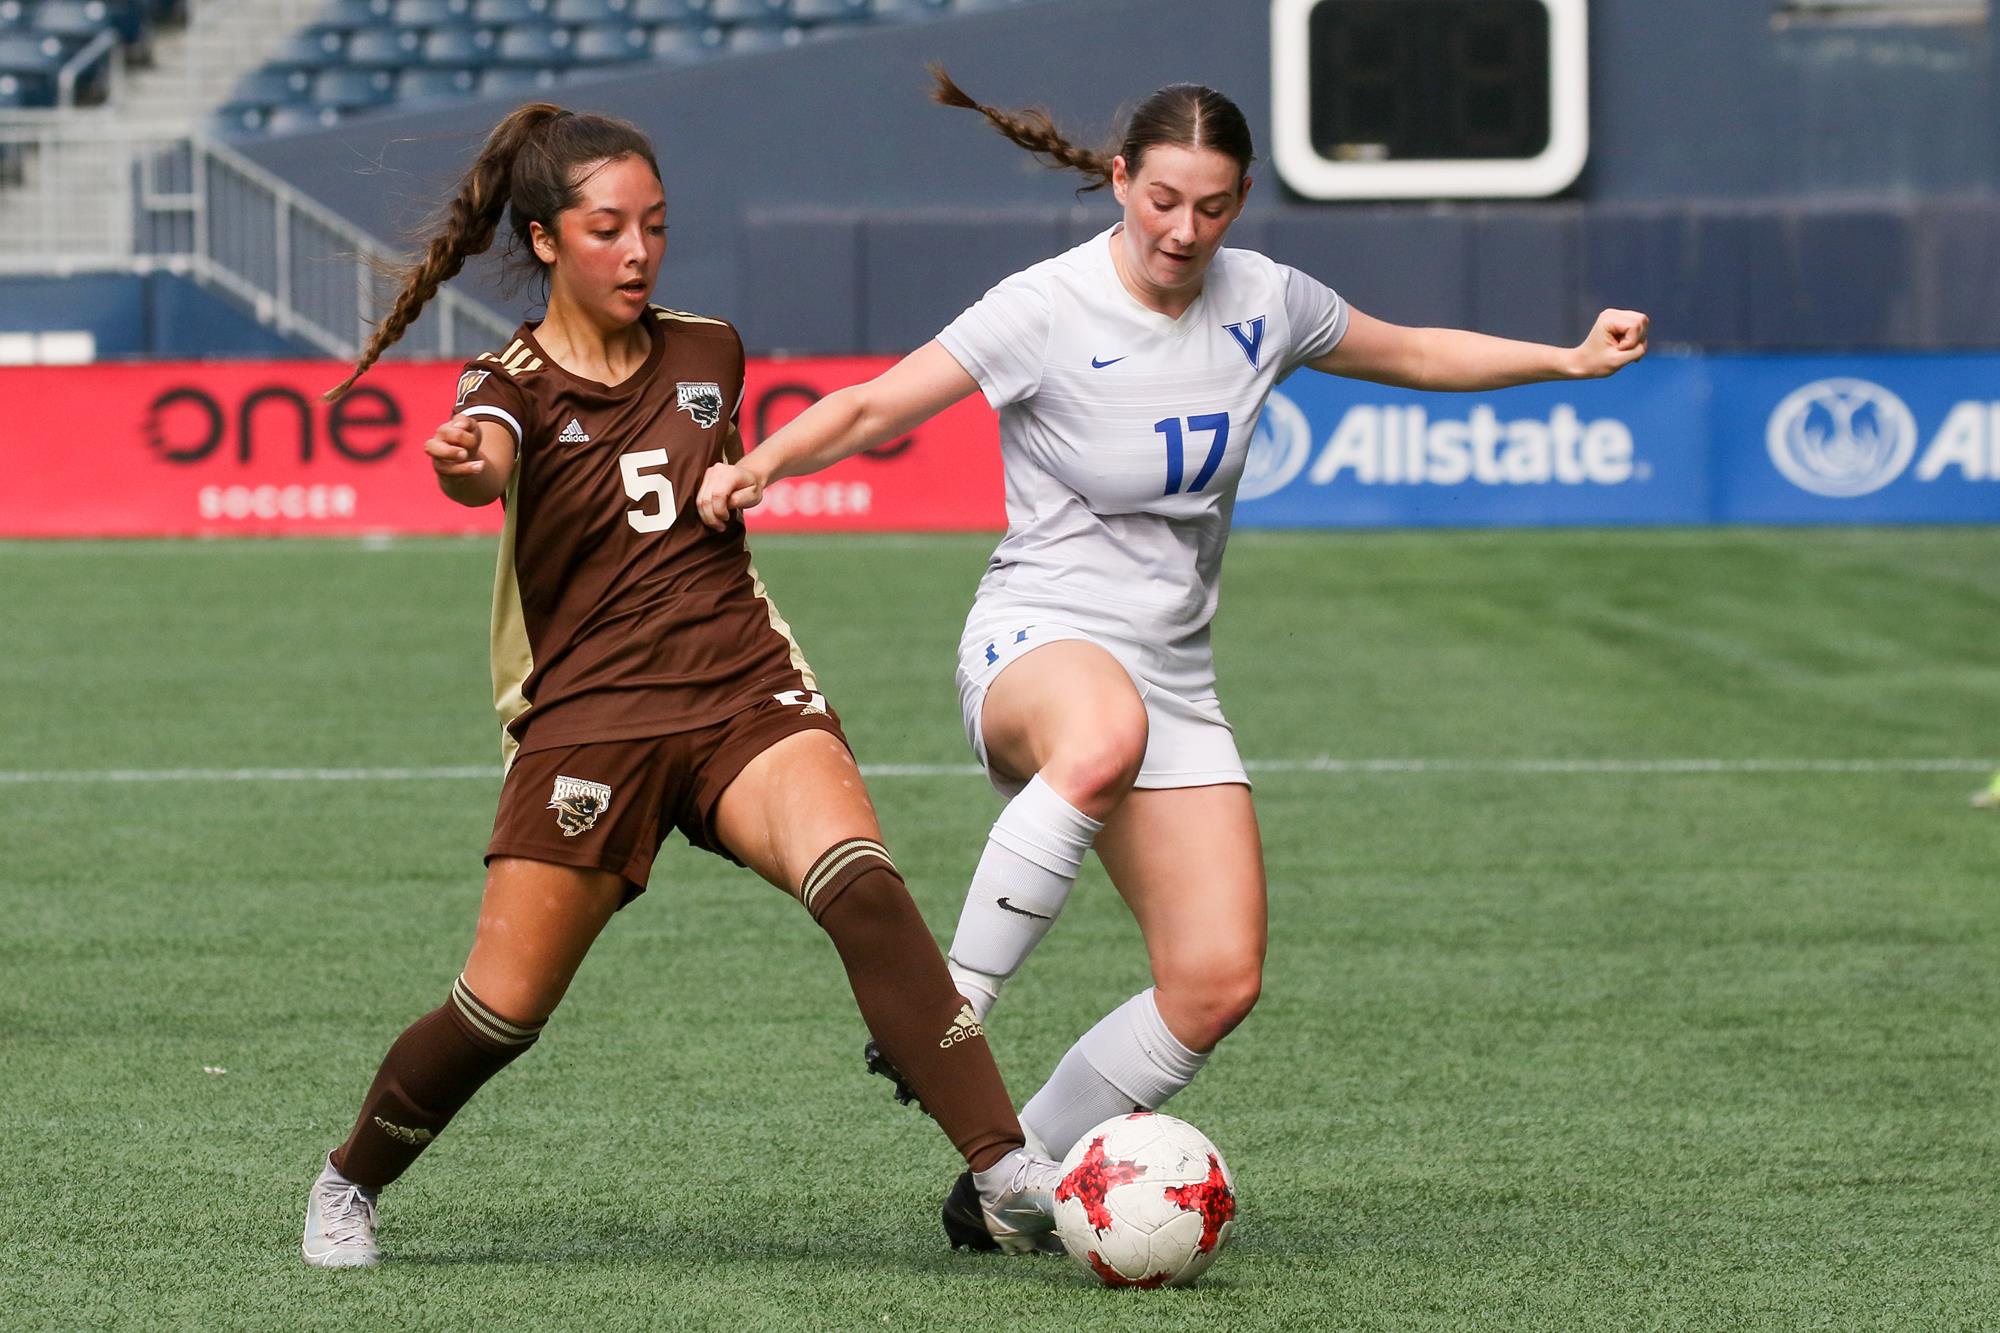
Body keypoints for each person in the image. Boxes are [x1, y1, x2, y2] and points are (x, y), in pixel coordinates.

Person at [696, 70, 1650, 1171]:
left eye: (1208, 206)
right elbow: (873, 403)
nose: (1181, 231)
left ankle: (1016, 1178)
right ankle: (939, 1007)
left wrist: (1567, 358)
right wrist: (761, 463)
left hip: (1173, 675)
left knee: (1213, 980)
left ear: (1239, 197)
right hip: (1035, 637)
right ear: (1117, 182)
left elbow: (1415, 352)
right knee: (1100, 732)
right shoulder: (1044, 306)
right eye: (1159, 201)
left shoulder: (1265, 299)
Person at [300, 102, 1061, 1269]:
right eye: (608, 229)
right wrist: (467, 465)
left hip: (740, 690)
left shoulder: (711, 349)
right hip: (589, 722)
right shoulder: (502, 383)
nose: (640, 251)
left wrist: (733, 486)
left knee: (860, 884)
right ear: (547, 240)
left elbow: (692, 476)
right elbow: (484, 455)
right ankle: (350, 1178)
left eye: (654, 225)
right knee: (500, 1010)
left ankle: (1002, 1169)